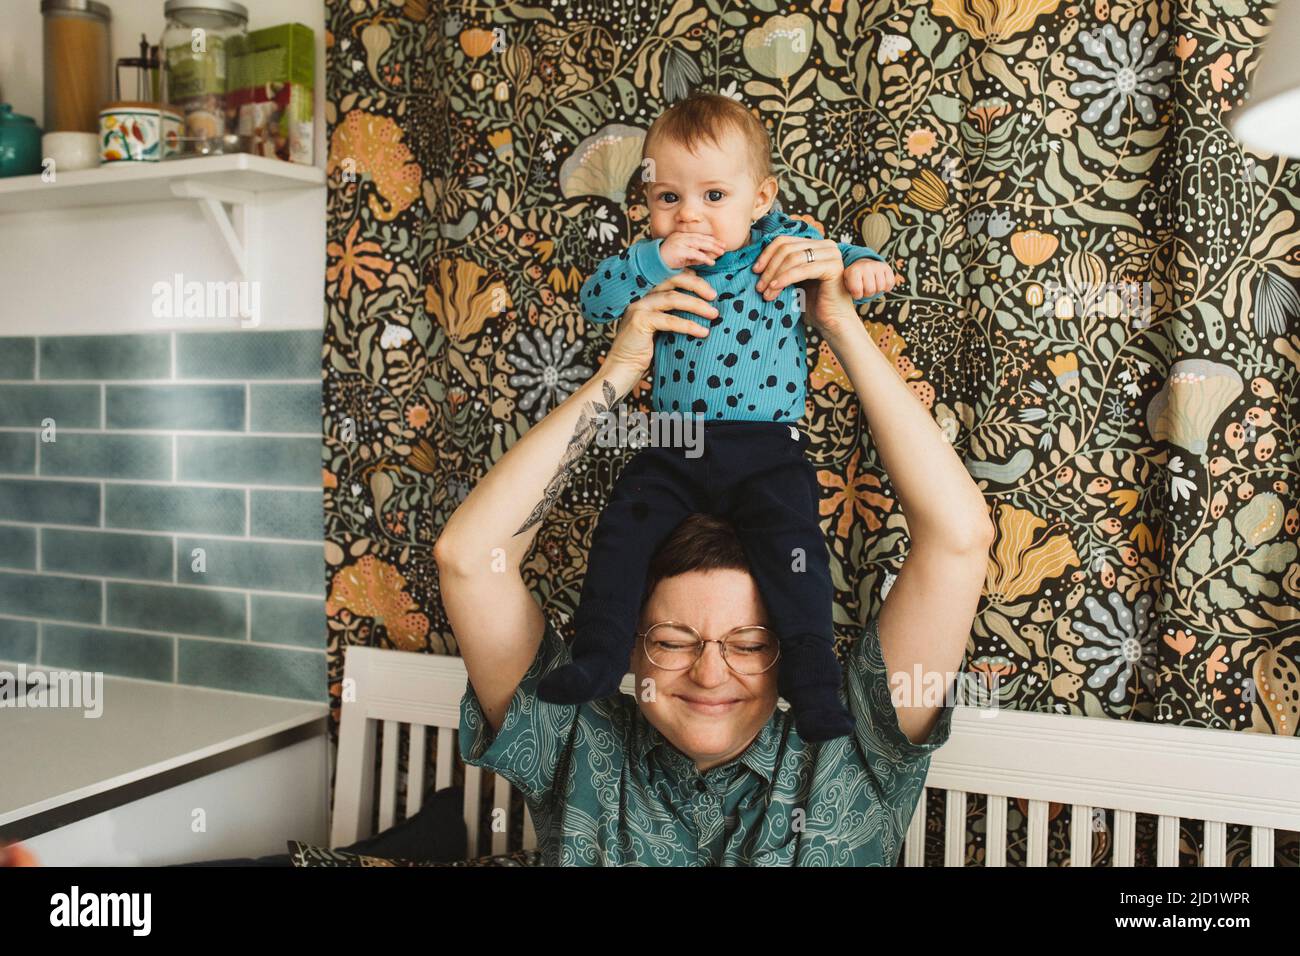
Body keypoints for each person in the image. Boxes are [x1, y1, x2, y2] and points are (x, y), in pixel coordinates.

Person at [434, 183, 994, 865]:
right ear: (633, 645)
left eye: (751, 642)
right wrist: (619, 372)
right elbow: (468, 558)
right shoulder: (572, 741)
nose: (710, 673)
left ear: (788, 642)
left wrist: (840, 326)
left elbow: (960, 540)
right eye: (672, 640)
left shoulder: (852, 754)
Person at [535, 92, 894, 742]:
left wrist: (861, 268)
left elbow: (845, 257)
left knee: (795, 553)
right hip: (673, 444)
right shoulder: (653, 263)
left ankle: (812, 683)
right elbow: (594, 300)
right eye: (668, 198)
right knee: (622, 535)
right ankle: (598, 656)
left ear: (760, 198)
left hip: (766, 450)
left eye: (713, 197)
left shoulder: (784, 246)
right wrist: (652, 262)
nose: (689, 215)